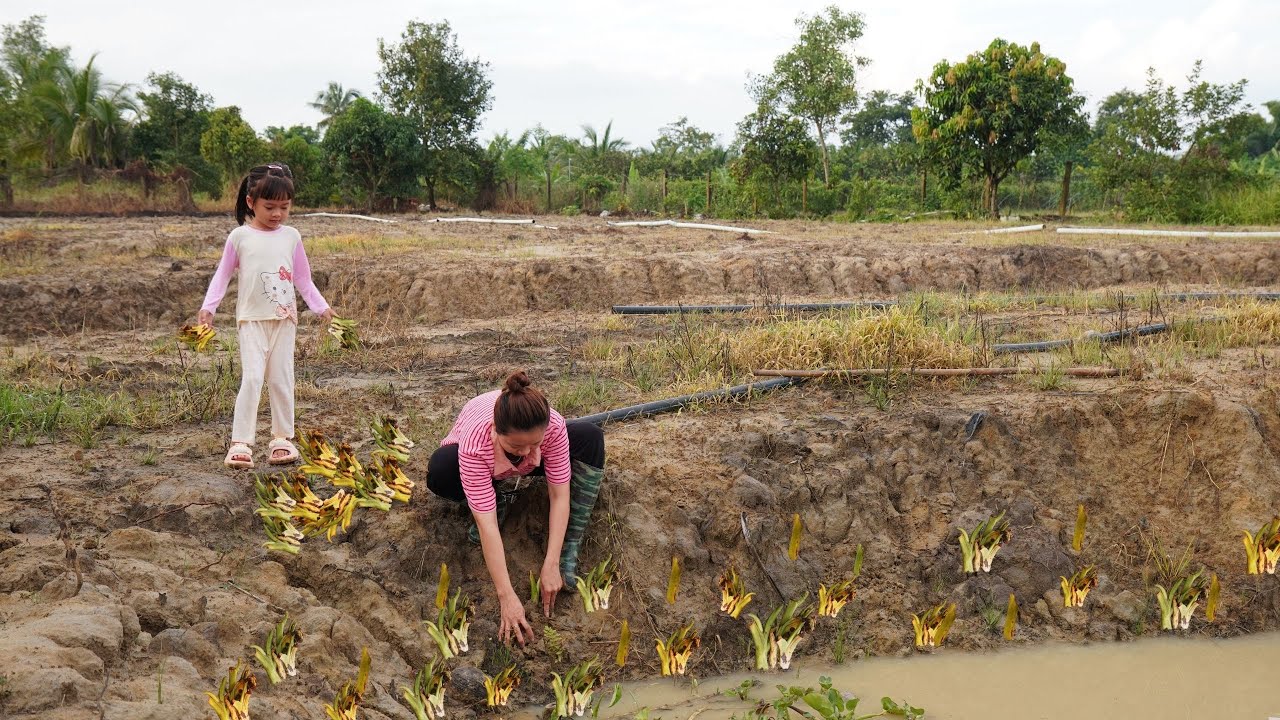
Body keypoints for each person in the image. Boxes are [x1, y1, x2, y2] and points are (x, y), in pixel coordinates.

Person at [427, 371, 606, 646]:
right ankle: (498, 498)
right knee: (441, 467)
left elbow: (559, 495)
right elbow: (487, 527)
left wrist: (552, 562)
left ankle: (573, 543)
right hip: (478, 461)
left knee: (590, 437)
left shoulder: (553, 428)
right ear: (496, 432)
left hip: (533, 445)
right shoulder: (476, 444)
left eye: (535, 443)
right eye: (516, 446)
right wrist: (507, 596)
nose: (525, 452)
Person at [197, 163, 334, 469]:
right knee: (253, 377)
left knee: (282, 379)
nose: (277, 214)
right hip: (251, 320)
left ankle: (282, 439)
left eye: (284, 207)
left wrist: (322, 308)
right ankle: (240, 443)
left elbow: (303, 279)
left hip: (285, 321)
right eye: (269, 207)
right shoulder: (239, 237)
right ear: (250, 203)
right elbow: (222, 276)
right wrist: (209, 307)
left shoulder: (292, 237)